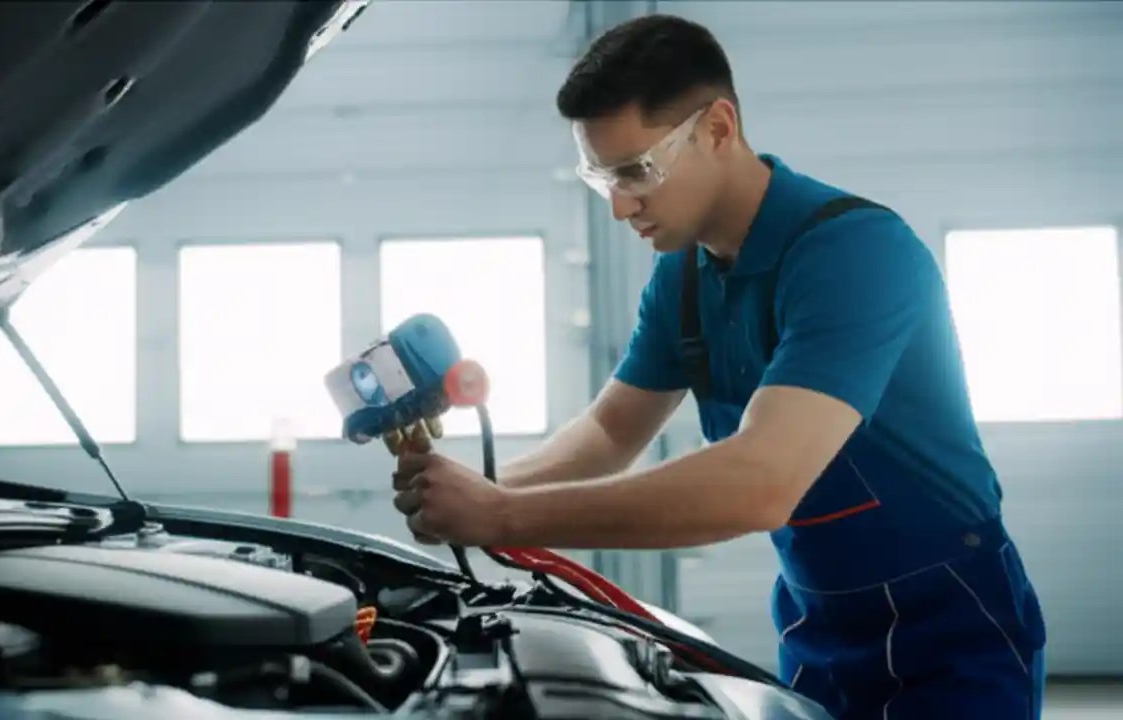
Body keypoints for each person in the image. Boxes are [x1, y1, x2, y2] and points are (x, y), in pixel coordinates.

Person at [391, 13, 1046, 719]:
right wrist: (474, 491)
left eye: (636, 171)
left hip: (950, 629)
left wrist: (502, 514)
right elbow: (612, 429)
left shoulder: (856, 254)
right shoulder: (682, 276)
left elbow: (760, 481)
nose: (619, 206)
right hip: (817, 622)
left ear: (718, 128)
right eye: (600, 178)